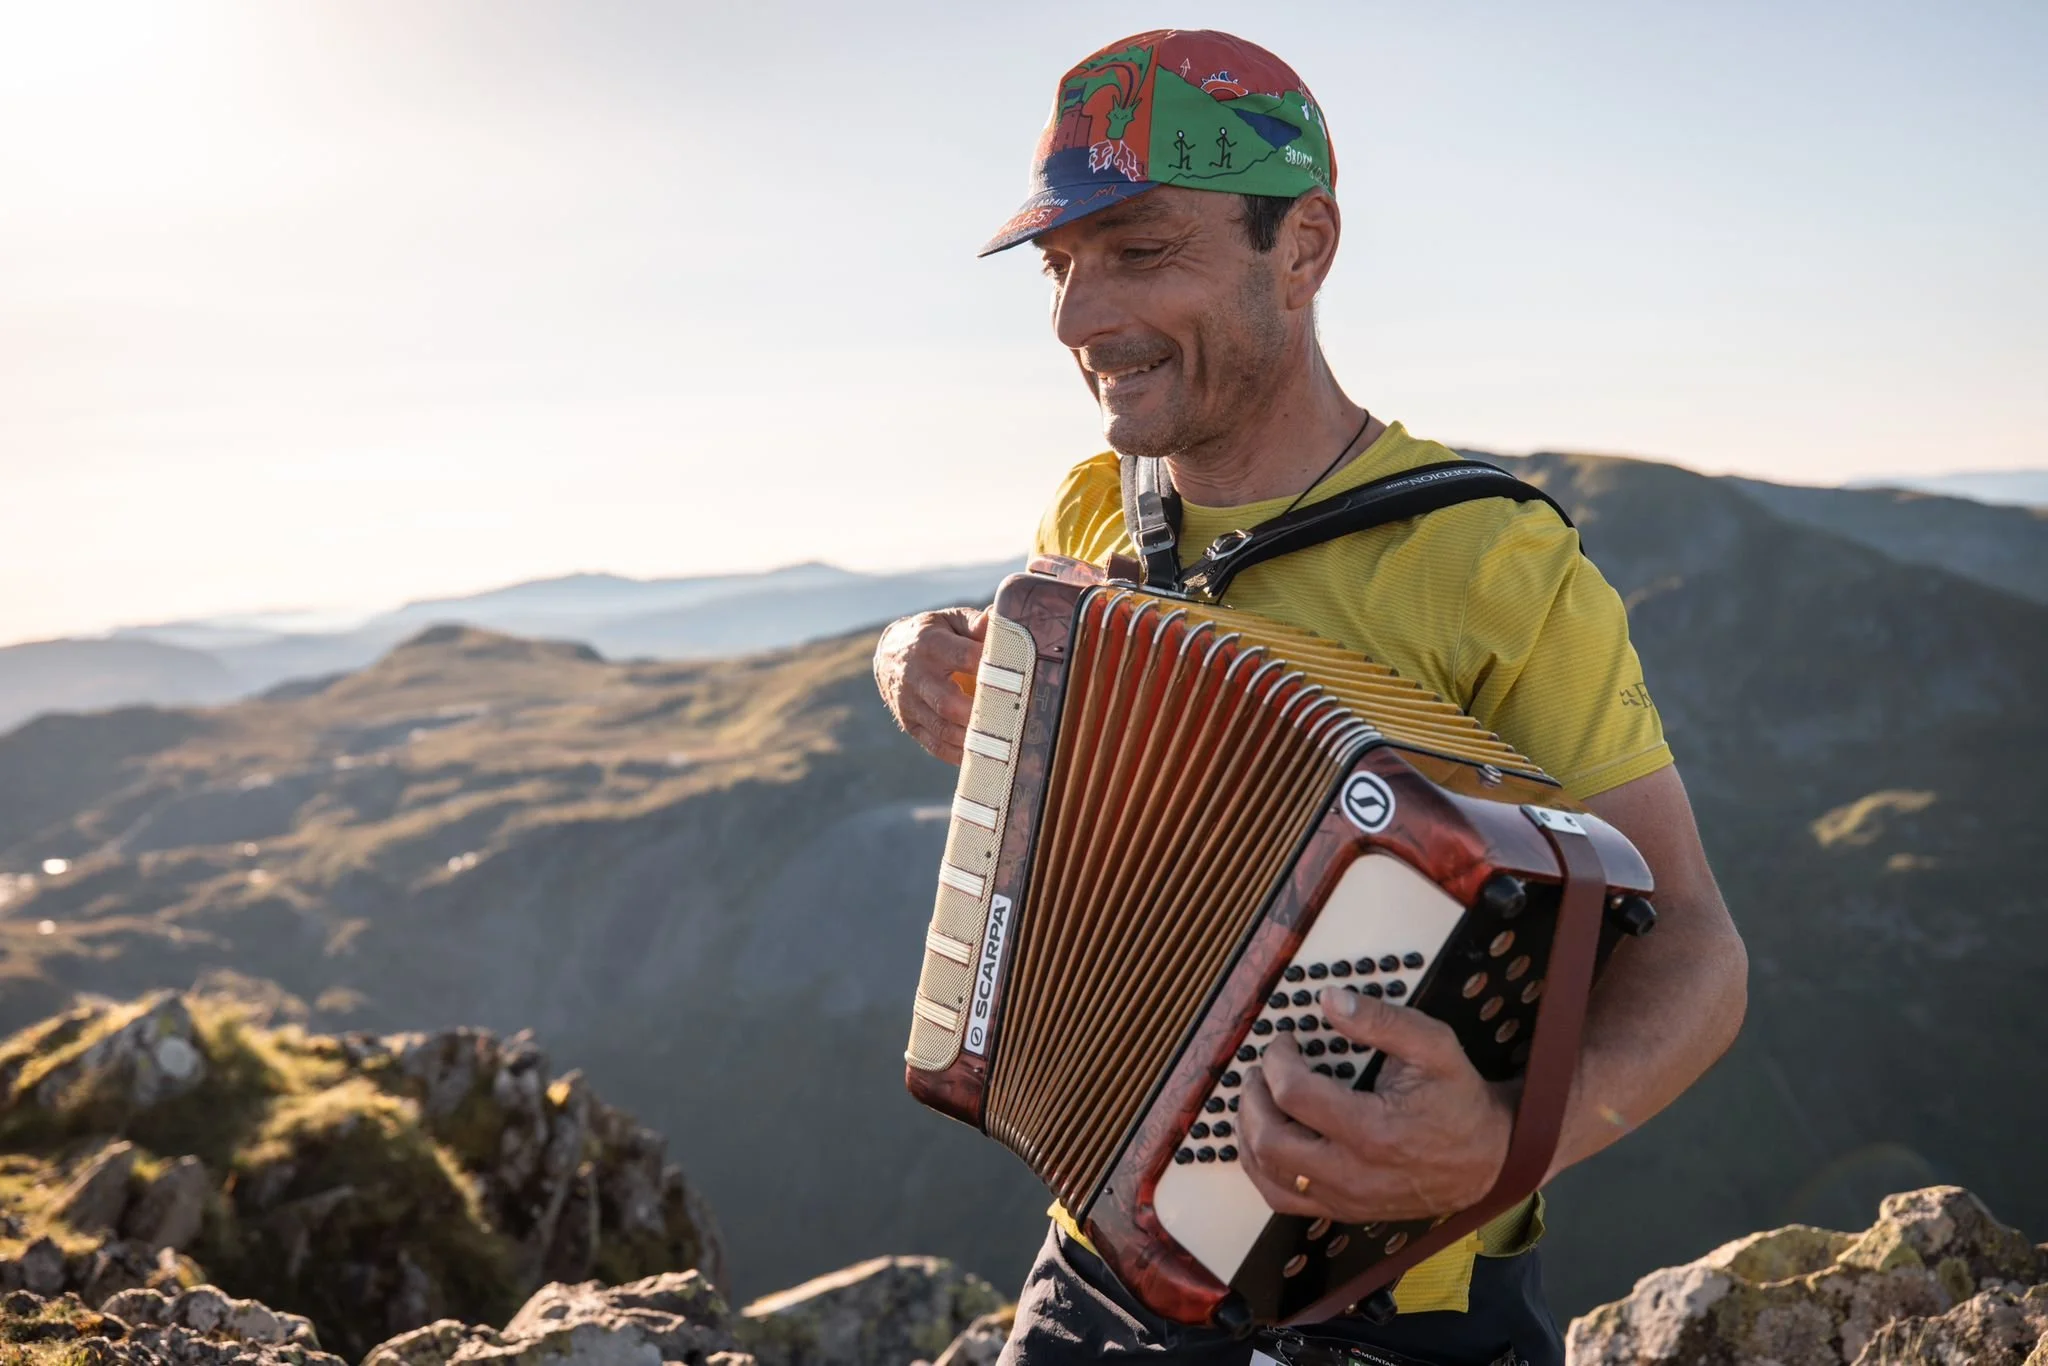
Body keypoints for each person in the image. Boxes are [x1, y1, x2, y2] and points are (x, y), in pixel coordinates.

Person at [872, 29, 1746, 1366]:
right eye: (1062, 266)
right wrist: (905, 659)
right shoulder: (1096, 509)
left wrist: (1511, 1134)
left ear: (1304, 246)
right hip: (1094, 1262)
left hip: (1385, 1314)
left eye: (1141, 249)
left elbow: (1695, 948)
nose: (1079, 317)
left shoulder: (1495, 563)